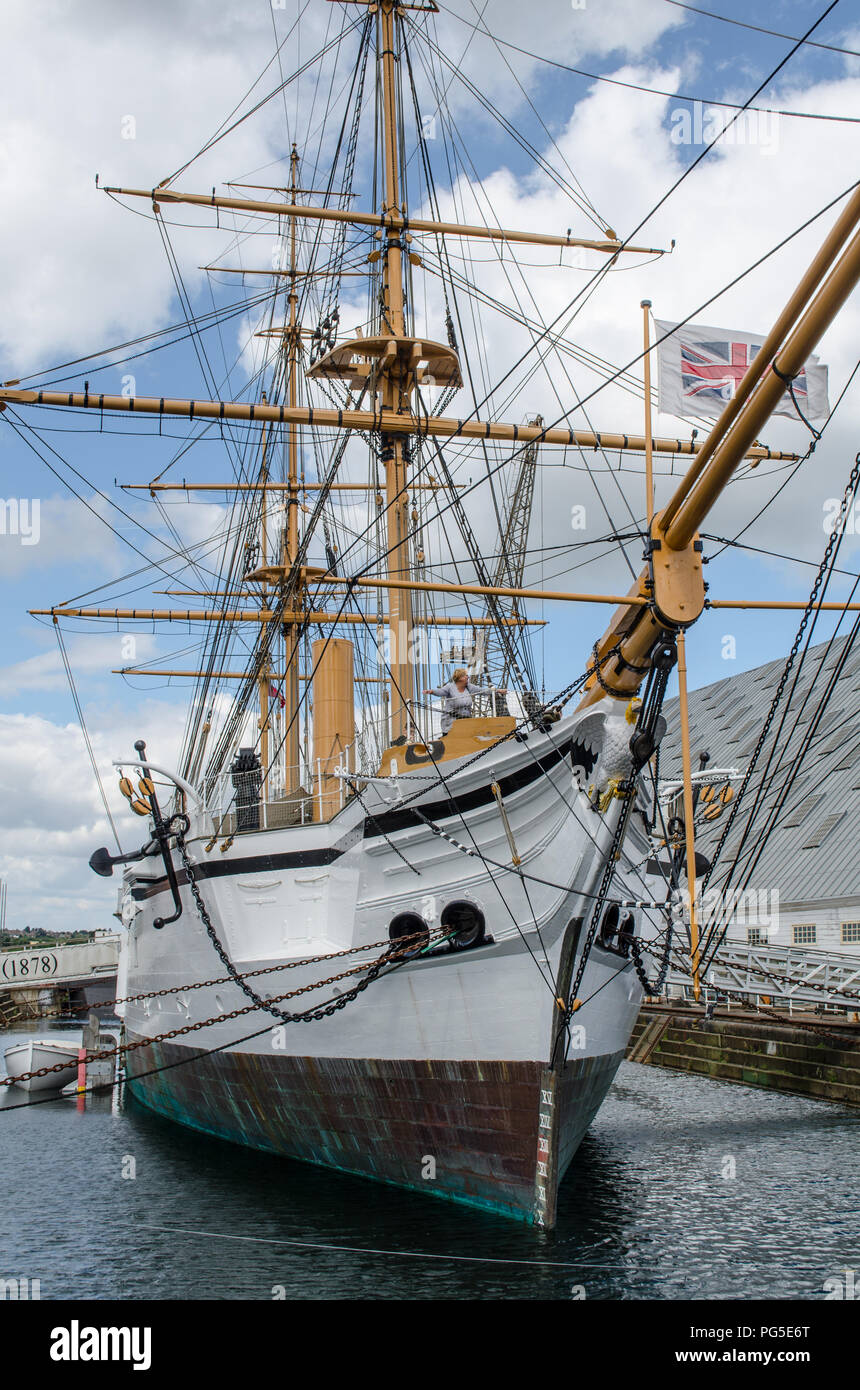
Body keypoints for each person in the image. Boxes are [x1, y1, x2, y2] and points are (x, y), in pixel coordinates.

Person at [423, 668, 481, 734]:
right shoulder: (450, 687)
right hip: (451, 723)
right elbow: (441, 691)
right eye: (466, 675)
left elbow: (481, 690)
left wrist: (493, 691)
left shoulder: (469, 687)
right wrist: (432, 691)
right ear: (460, 678)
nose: (468, 677)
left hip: (466, 721)